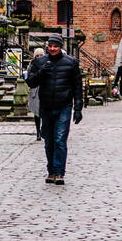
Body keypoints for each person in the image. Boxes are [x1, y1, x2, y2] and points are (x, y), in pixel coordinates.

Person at [25, 34, 84, 185]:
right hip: (46, 106)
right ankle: (51, 170)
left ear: (60, 47)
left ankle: (59, 172)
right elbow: (31, 82)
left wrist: (78, 108)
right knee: (49, 141)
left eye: (55, 46)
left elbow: (77, 87)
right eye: (50, 46)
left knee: (60, 139)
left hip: (64, 105)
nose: (52, 49)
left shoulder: (71, 63)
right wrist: (41, 71)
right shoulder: (40, 62)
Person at [27, 47, 45, 140]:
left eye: (40, 55)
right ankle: (38, 131)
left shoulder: (46, 63)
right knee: (36, 112)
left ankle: (43, 129)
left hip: (45, 90)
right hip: (35, 90)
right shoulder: (32, 64)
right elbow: (29, 77)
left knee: (45, 111)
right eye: (37, 55)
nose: (39, 57)